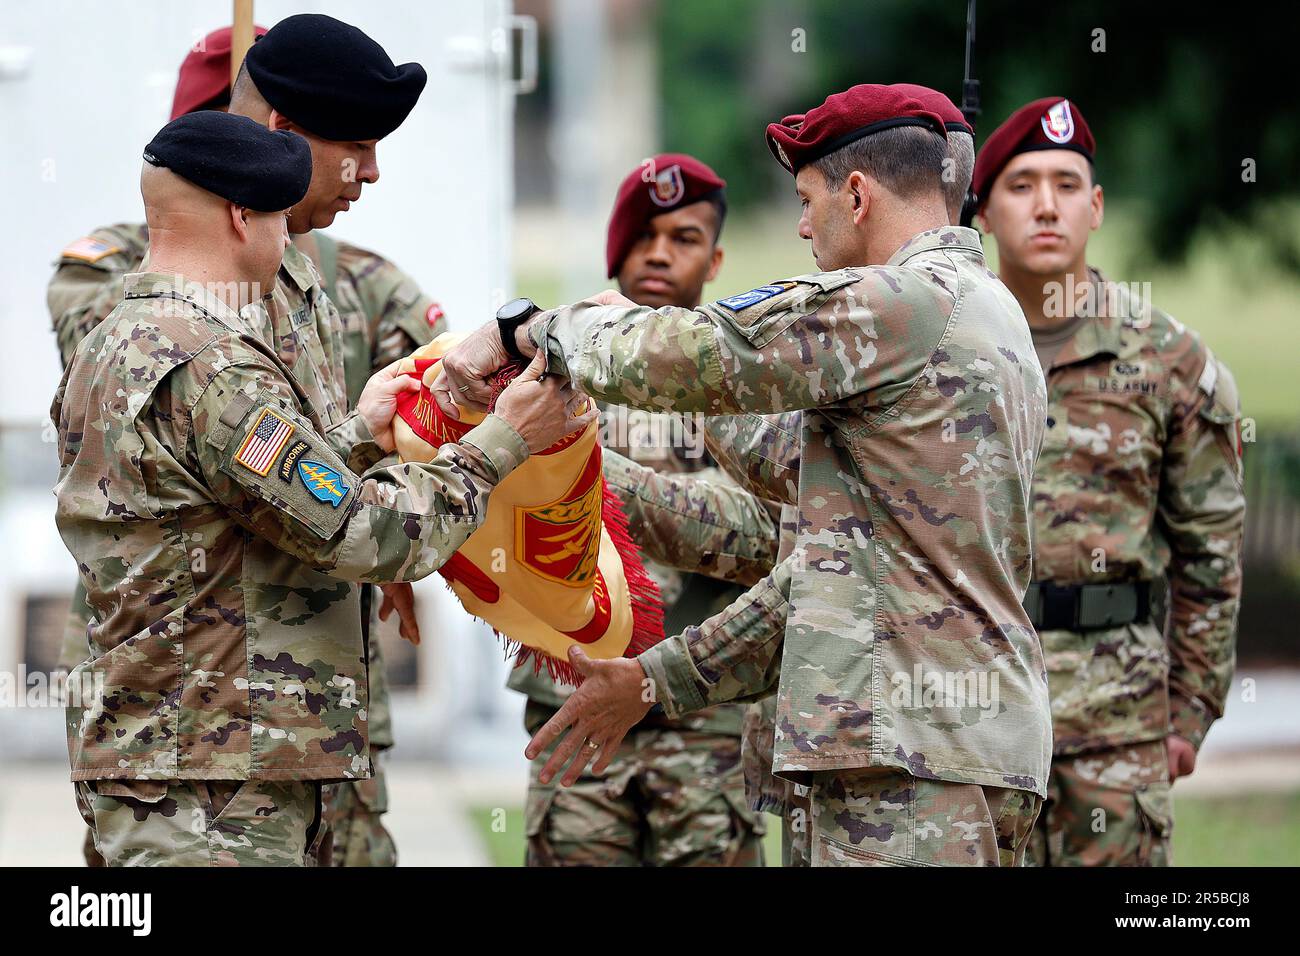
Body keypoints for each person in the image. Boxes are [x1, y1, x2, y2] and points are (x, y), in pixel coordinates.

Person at [437, 83, 1052, 867]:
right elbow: (816, 539)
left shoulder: (900, 302)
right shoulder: (981, 312)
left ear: (856, 195)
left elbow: (696, 355)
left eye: (807, 200)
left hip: (910, 763)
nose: (801, 227)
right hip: (935, 750)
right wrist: (657, 679)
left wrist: (531, 330)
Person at [55, 110, 592, 867]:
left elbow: (225, 515)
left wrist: (359, 434)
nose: (291, 241)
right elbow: (363, 535)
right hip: (213, 786)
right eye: (280, 217)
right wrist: (505, 440)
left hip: (187, 764)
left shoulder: (126, 335)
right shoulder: (214, 366)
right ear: (243, 217)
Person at [47, 17, 445, 866]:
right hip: (207, 766)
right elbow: (350, 527)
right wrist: (509, 448)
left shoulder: (259, 285)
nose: (370, 172)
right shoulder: (196, 342)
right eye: (357, 147)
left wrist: (360, 437)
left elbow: (266, 486)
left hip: (262, 740)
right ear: (245, 200)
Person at [971, 97, 1246, 865]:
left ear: (1095, 207)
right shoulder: (946, 348)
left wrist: (1190, 714)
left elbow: (1212, 555)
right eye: (1022, 186)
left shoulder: (1168, 360)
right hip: (975, 719)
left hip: (1119, 724)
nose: (1047, 205)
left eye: (1067, 184)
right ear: (982, 214)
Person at [510, 154, 768, 866]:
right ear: (614, 245)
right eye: (643, 234)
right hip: (573, 695)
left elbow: (762, 535)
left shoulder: (746, 374)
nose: (658, 253)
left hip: (703, 709)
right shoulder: (551, 366)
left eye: (683, 238)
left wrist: (597, 475)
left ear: (715, 260)